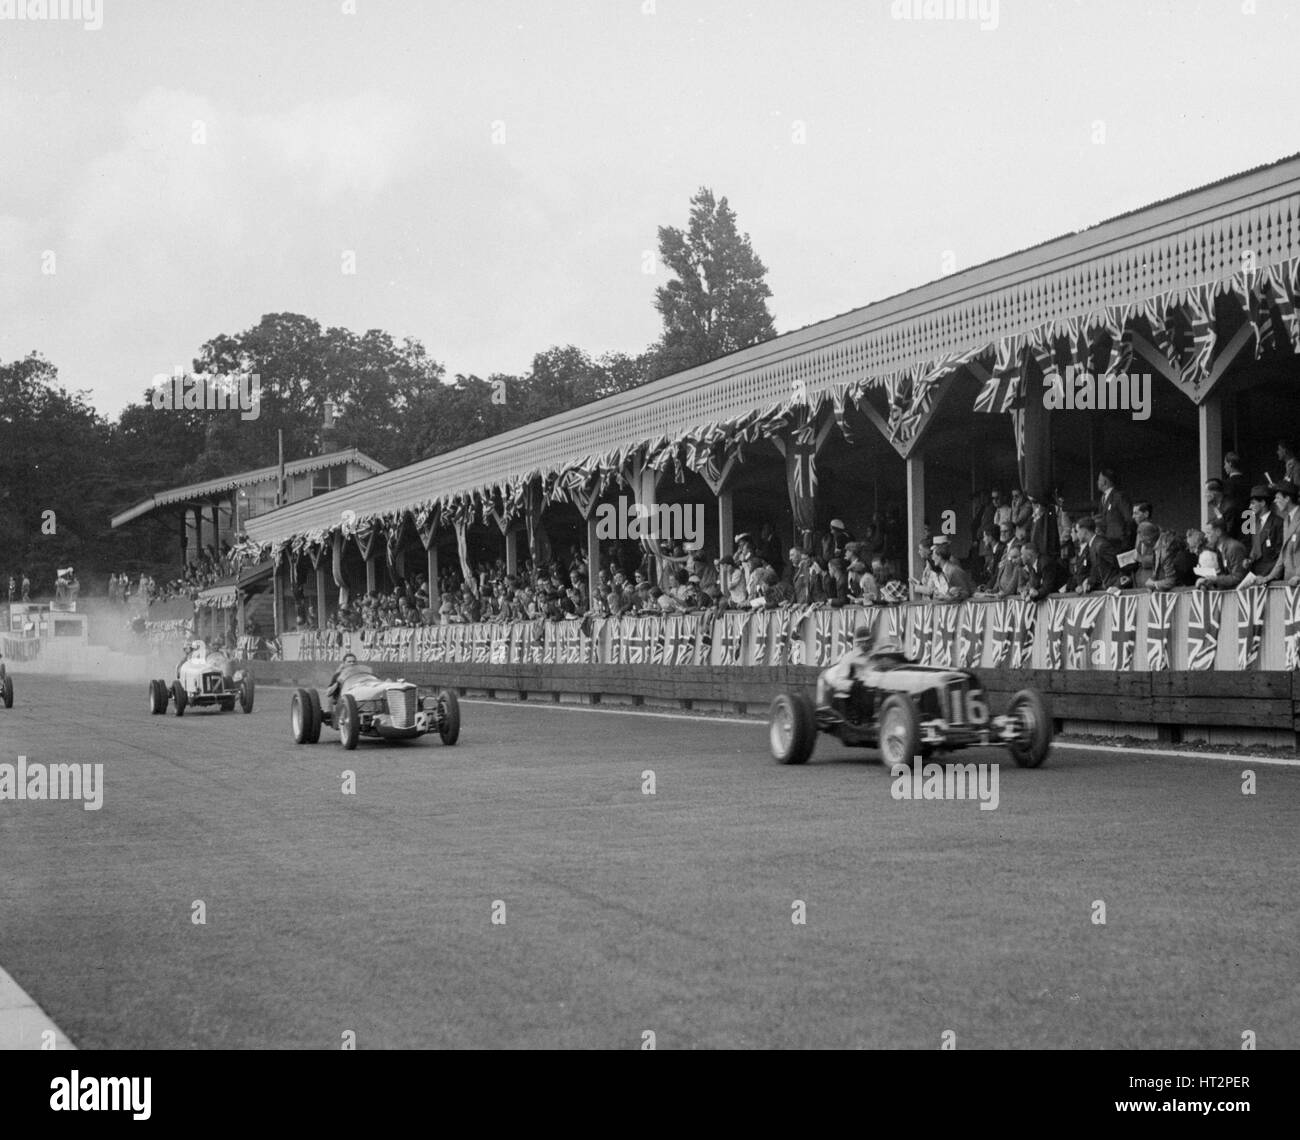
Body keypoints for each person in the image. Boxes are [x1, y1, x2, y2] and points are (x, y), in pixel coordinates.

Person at [1242, 485, 1282, 581]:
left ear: (1263, 503)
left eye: (1253, 503)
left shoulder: (1278, 523)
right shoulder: (1253, 522)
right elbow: (1253, 547)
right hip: (1255, 574)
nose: (1250, 507)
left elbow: (1280, 554)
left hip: (1270, 576)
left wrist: (1267, 576)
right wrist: (1248, 560)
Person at [1071, 516, 1120, 593]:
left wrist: (1117, 585)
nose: (1077, 534)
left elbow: (1117, 565)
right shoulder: (1092, 545)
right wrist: (1089, 581)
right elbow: (1096, 570)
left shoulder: (1101, 545)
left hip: (1112, 589)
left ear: (1084, 531)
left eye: (1077, 531)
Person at [1198, 519, 1247, 589]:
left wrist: (1215, 579)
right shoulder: (1219, 549)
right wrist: (1207, 582)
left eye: (1208, 533)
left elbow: (1238, 578)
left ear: (1218, 532)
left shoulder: (1234, 548)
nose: (1205, 536)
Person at [1095, 469, 1134, 549]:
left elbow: (1129, 518)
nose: (1097, 482)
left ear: (1105, 481)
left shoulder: (1119, 496)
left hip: (1119, 542)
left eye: (1099, 479)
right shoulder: (1103, 498)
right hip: (1106, 541)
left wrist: (1126, 540)